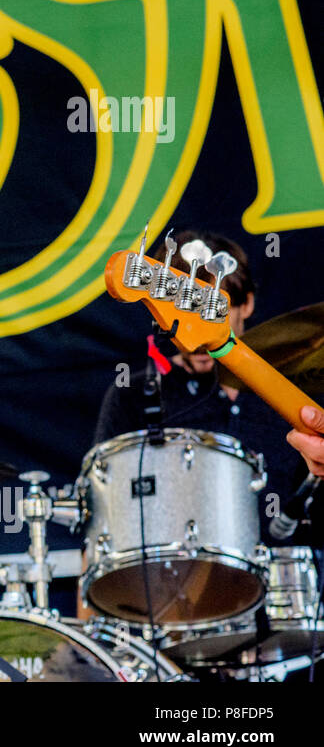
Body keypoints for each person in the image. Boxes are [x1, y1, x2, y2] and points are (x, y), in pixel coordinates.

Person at [94, 230, 315, 545]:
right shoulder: (134, 394)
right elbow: (101, 507)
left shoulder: (294, 383)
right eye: (184, 311)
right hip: (177, 580)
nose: (193, 327)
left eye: (209, 309)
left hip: (290, 576)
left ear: (247, 304)